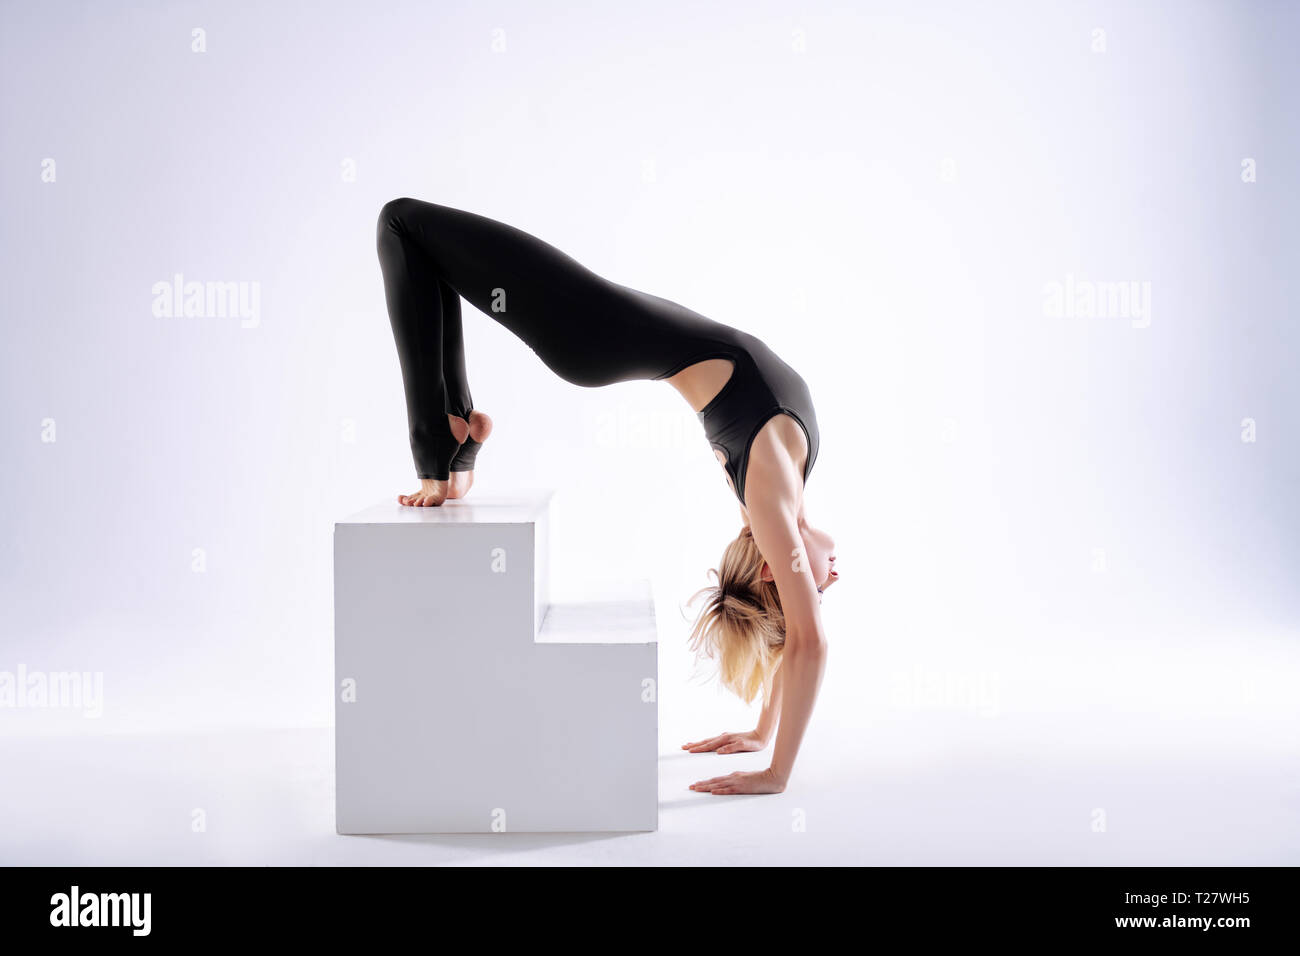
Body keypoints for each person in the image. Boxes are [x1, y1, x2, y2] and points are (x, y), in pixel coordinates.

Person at [376, 197, 838, 794]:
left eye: (814, 591)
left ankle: (437, 454)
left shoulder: (770, 495)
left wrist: (776, 771)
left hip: (589, 327)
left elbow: (806, 642)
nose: (828, 584)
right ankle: (453, 438)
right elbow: (794, 634)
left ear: (776, 571)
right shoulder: (784, 487)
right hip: (599, 325)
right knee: (422, 247)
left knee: (400, 222)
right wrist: (760, 730)